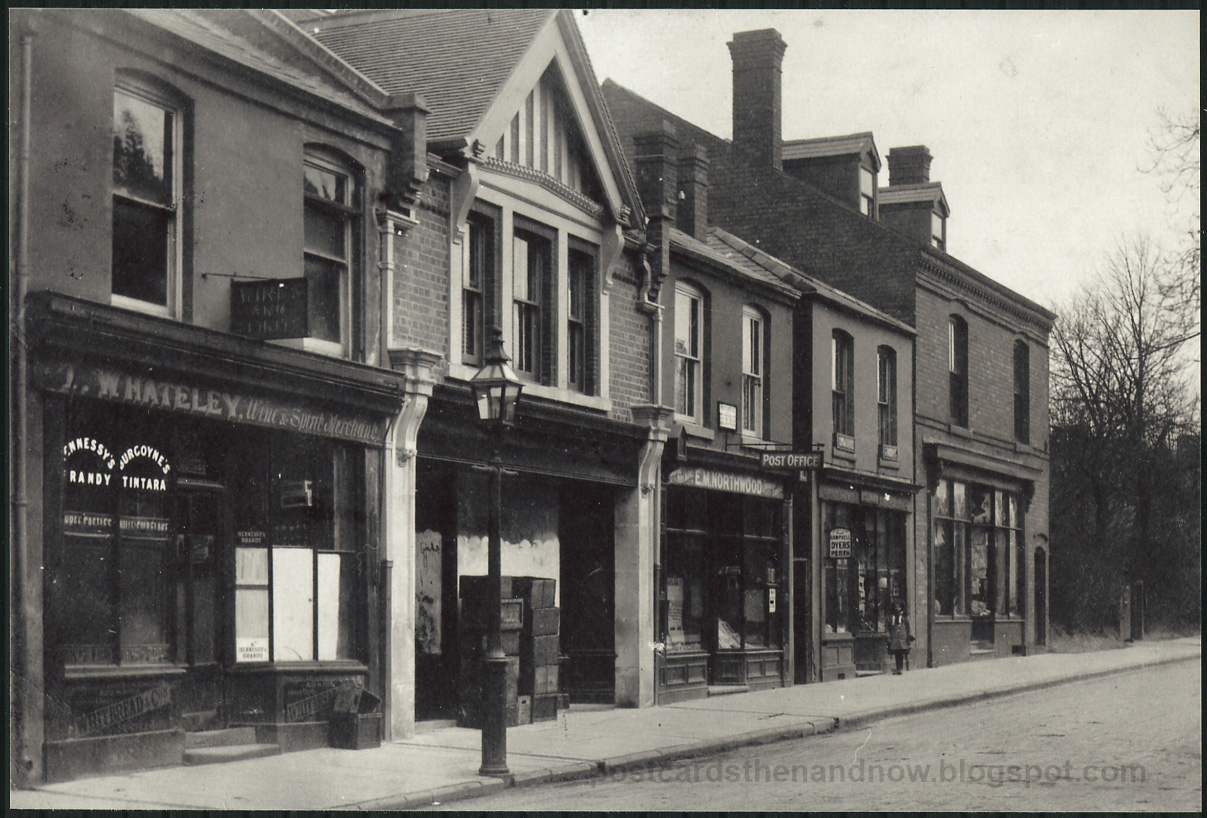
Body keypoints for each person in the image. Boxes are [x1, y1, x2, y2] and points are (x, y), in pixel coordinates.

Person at [888, 603, 915, 675]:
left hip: (902, 637)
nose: (897, 608)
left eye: (899, 607)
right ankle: (898, 668)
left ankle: (900, 668)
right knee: (897, 652)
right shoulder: (892, 617)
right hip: (895, 637)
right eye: (896, 607)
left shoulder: (904, 617)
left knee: (901, 652)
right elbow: (889, 626)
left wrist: (909, 636)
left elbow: (908, 627)